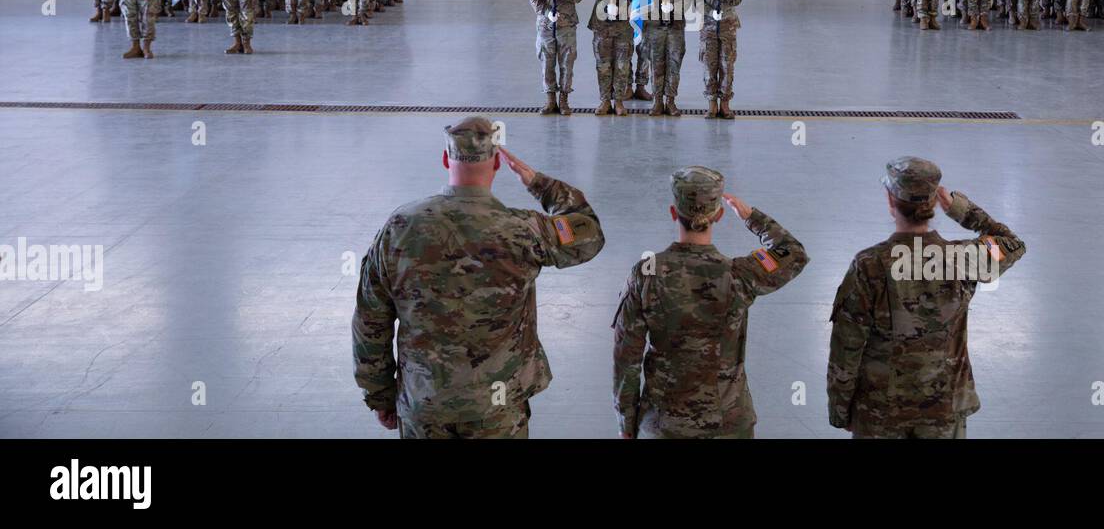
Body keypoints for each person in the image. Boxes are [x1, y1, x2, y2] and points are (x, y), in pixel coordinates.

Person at [352, 117, 605, 439]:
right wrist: (538, 183)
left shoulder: (400, 227)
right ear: (497, 162)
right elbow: (589, 233)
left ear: (446, 159)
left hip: (425, 402)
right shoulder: (523, 230)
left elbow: (370, 319)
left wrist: (379, 394)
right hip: (497, 406)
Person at [827, 157, 1026, 439]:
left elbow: (846, 349)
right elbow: (1012, 243)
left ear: (890, 201)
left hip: (880, 413)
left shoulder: (869, 265)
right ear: (933, 204)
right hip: (944, 411)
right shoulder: (965, 258)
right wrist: (962, 211)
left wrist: (841, 410)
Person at [612, 167, 808, 439]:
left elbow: (627, 359)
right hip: (728, 423)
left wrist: (627, 422)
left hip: (665, 424)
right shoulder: (740, 274)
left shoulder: (645, 274)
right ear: (719, 215)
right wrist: (752, 217)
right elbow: (793, 253)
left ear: (673, 212)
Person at [528, 0, 586, 115]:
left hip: (566, 25)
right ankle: (550, 99)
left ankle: (564, 100)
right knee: (547, 61)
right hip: (546, 26)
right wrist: (547, 12)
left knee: (567, 63)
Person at [693, 0, 744, 119]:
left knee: (727, 66)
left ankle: (725, 103)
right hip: (708, 27)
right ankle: (711, 103)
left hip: (728, 27)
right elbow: (697, 1)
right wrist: (709, 12)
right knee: (709, 65)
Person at [644, 0, 692, 116]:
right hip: (655, 28)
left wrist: (672, 5)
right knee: (656, 64)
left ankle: (670, 101)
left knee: (674, 64)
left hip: (675, 28)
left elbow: (688, 2)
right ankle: (657, 100)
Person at [585, 0, 634, 116]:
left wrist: (623, 8)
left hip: (623, 27)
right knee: (603, 65)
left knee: (622, 65)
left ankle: (619, 101)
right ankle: (605, 100)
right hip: (602, 27)